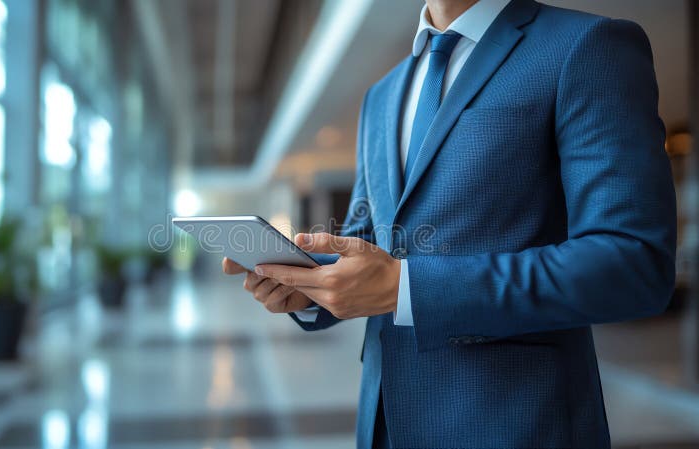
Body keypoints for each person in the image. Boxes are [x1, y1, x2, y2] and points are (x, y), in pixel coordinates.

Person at [223, 0, 676, 447]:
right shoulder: (381, 94)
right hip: (384, 425)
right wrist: (307, 285)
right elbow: (371, 242)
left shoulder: (587, 46)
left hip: (514, 424)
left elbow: (632, 262)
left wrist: (408, 288)